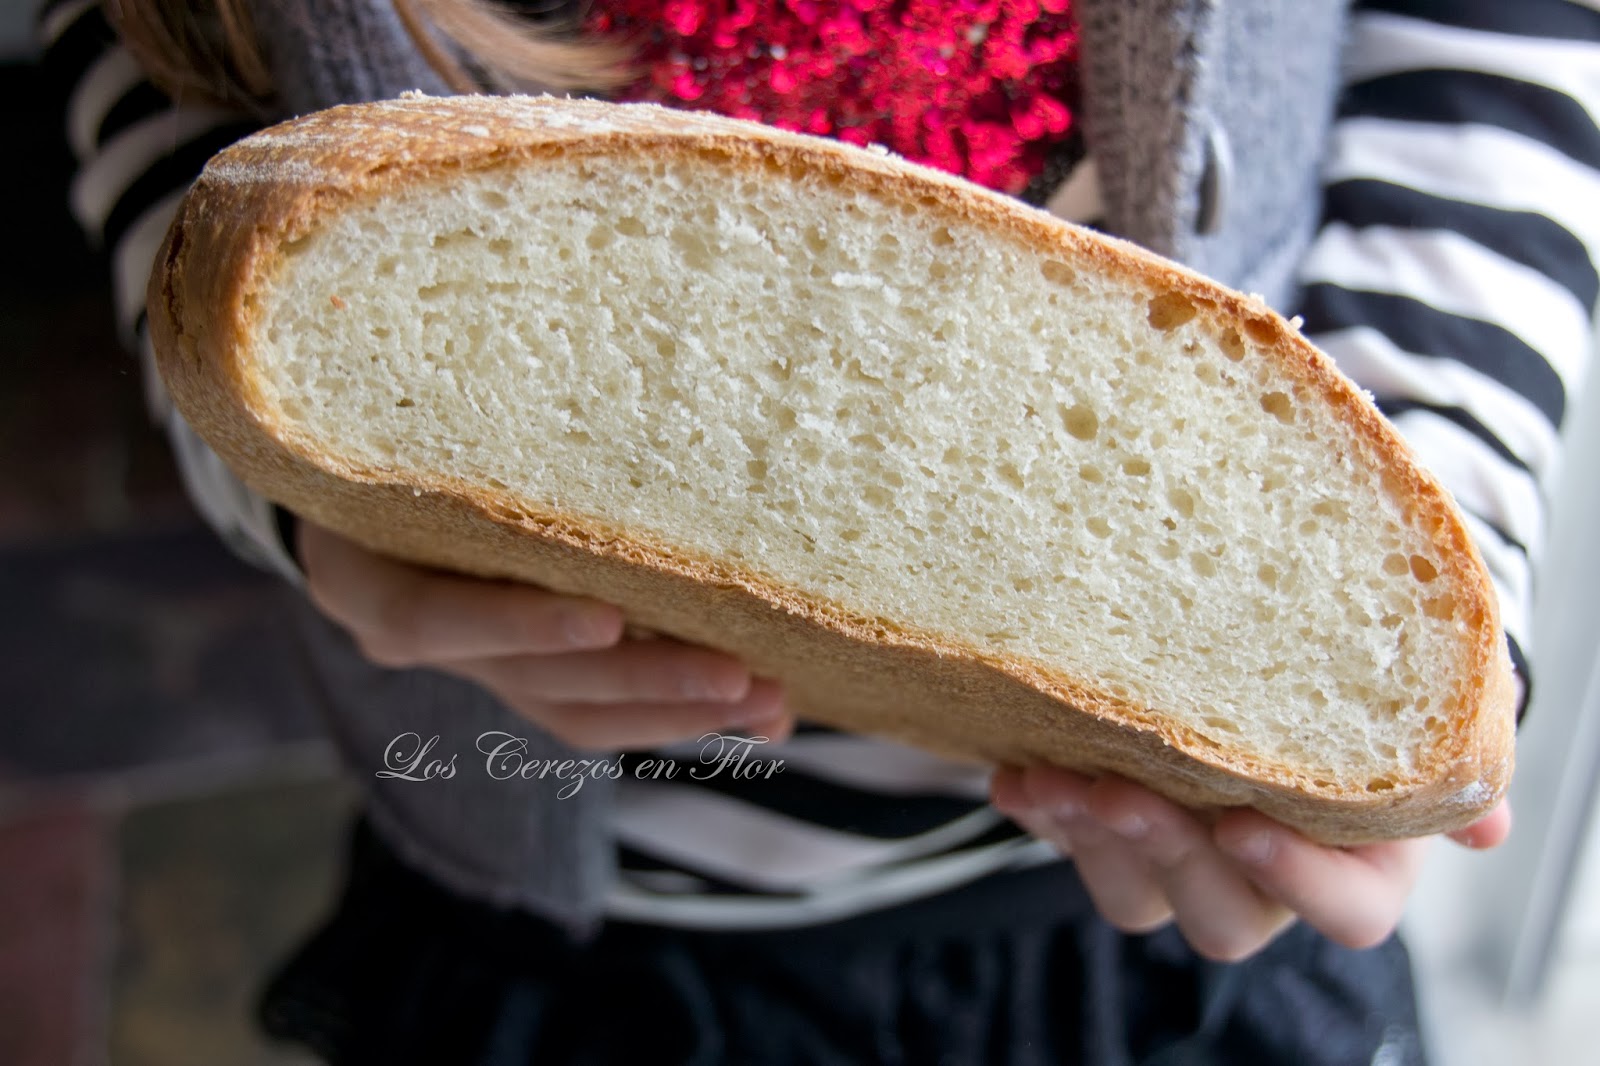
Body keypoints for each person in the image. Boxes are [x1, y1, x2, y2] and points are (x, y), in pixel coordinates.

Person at [40, 0, 1597, 1061]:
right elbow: (165, 66)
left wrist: (1430, 530)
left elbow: (1487, 38)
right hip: (560, 929)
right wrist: (306, 501)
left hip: (1149, 944)